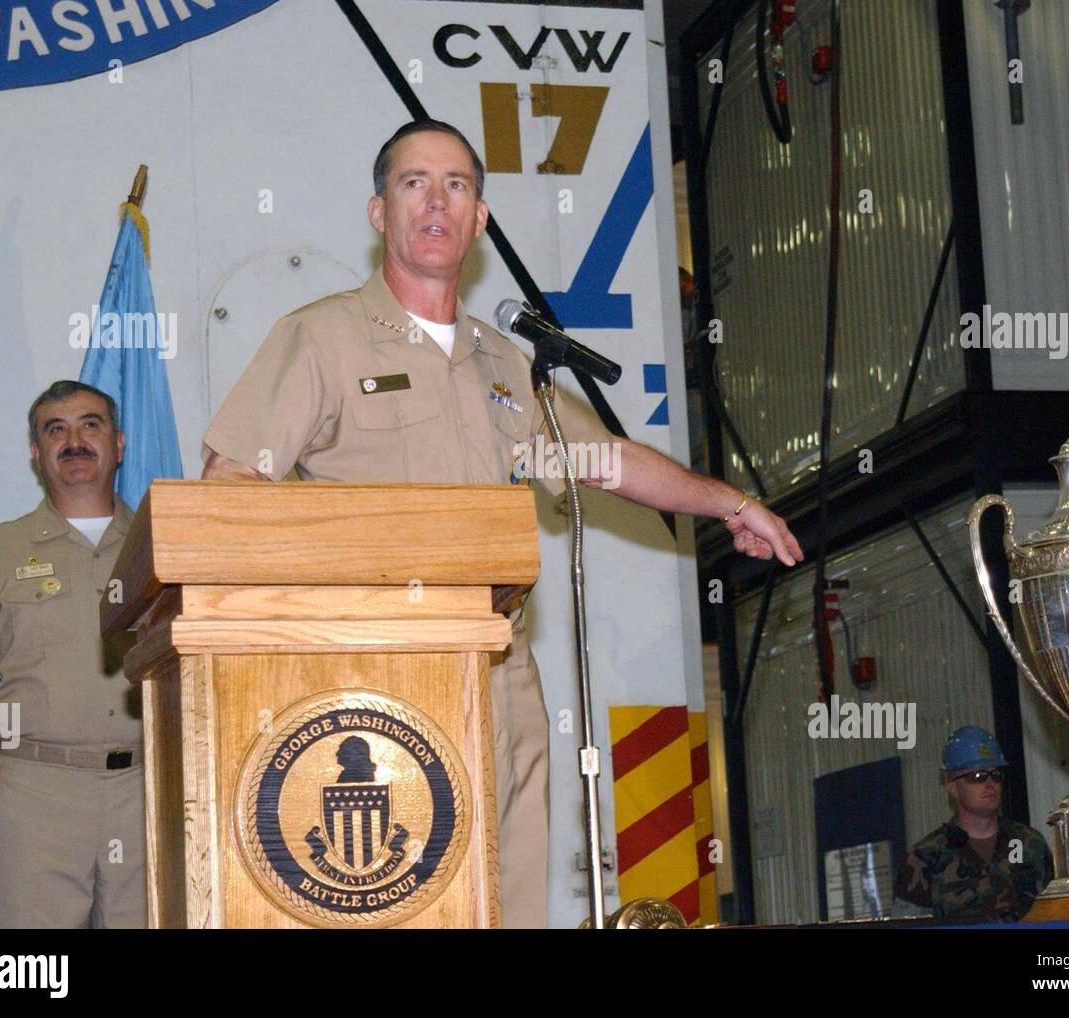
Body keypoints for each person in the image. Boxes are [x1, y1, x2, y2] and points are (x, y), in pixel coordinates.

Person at [199, 119, 804, 927]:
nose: (436, 201)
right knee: (400, 896)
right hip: (380, 671)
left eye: (456, 185)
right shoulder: (321, 337)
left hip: (505, 662)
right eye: (413, 182)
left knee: (510, 897)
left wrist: (731, 503)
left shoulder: (508, 362)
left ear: (479, 219)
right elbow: (230, 482)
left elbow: (609, 461)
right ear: (379, 211)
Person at [0, 380, 145, 928]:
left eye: (90, 425)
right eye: (55, 430)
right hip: (37, 796)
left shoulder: (166, 545)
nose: (74, 440)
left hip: (148, 796)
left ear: (118, 443)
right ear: (35, 452)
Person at [894, 725, 1053, 922]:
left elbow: (1057, 913)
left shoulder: (1029, 844)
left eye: (996, 775)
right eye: (977, 776)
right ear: (953, 786)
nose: (990, 784)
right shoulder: (924, 858)